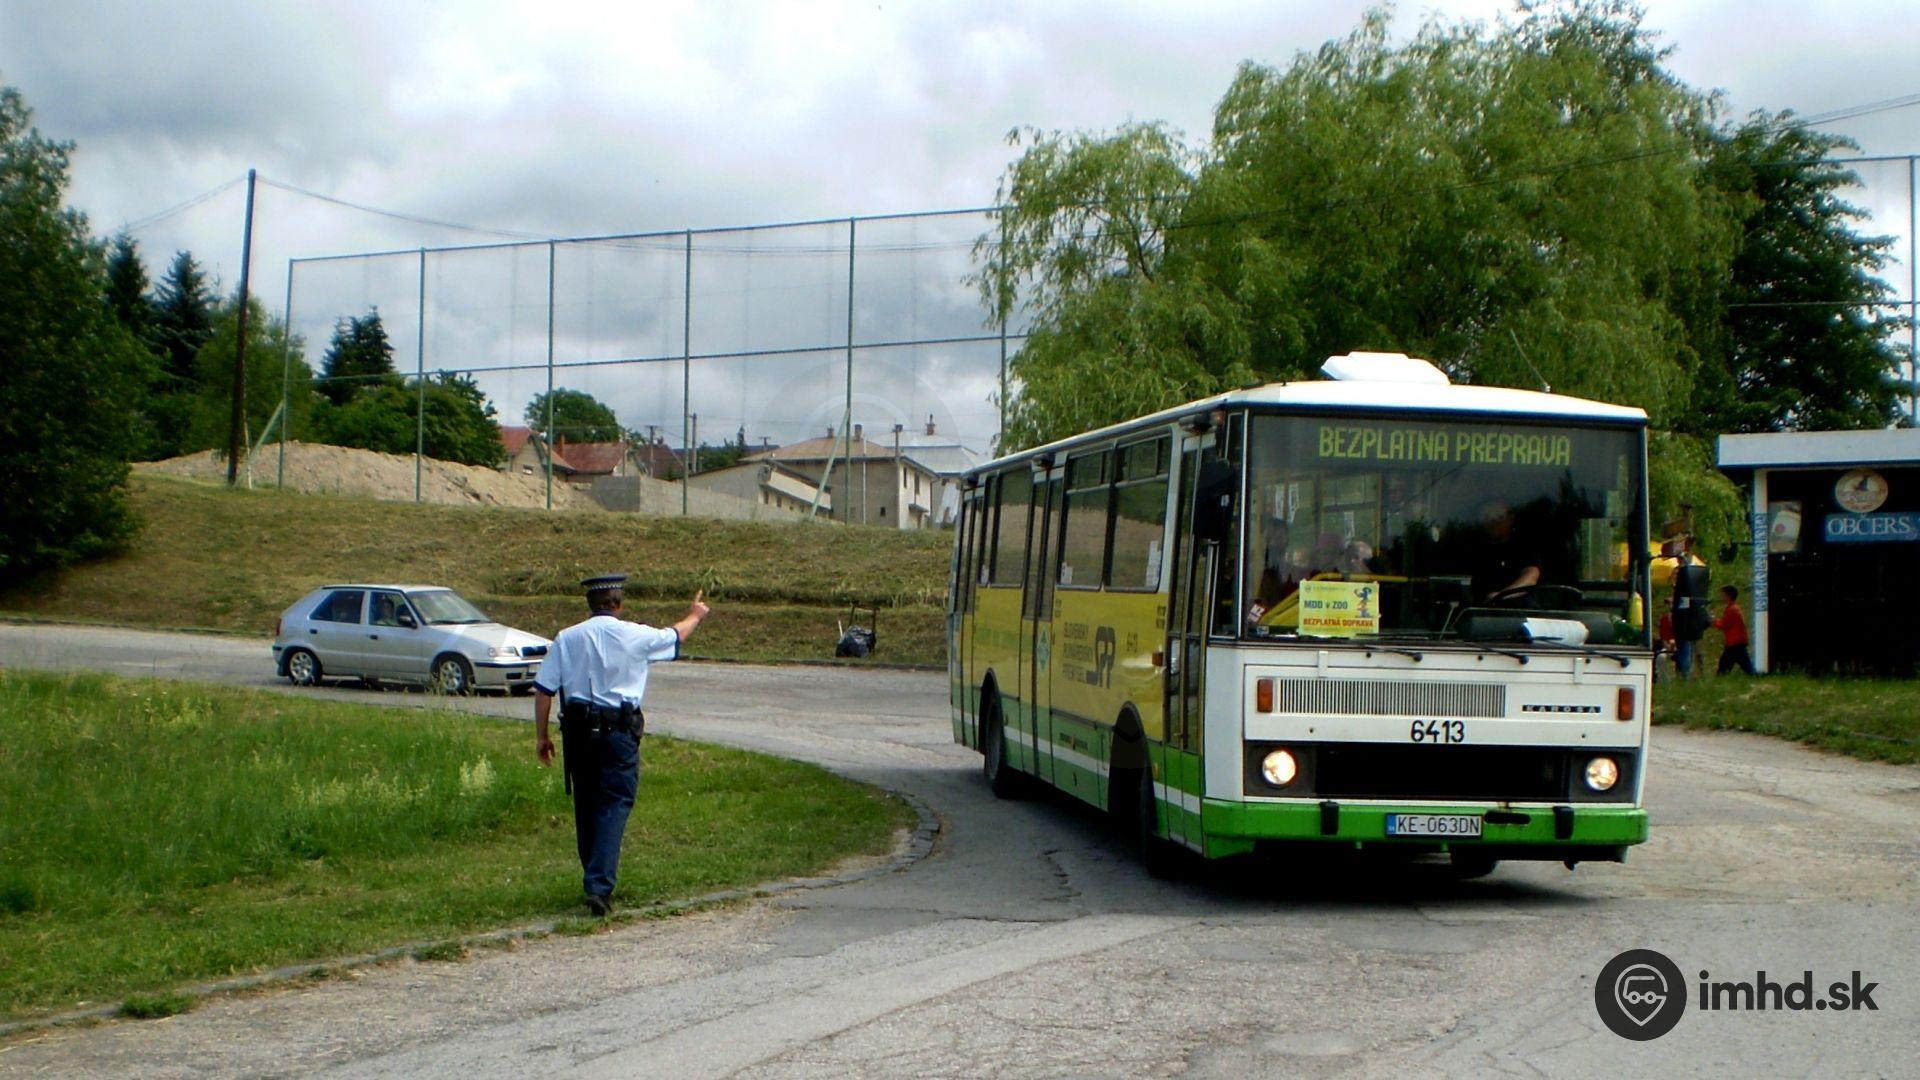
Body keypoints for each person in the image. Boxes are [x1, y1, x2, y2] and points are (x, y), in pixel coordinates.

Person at [533, 575, 710, 916]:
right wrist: (696, 614)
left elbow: (544, 691)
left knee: (586, 804)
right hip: (619, 731)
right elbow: (676, 636)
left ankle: (593, 875)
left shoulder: (567, 638)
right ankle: (598, 886)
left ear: (591, 604)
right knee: (614, 803)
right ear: (619, 604)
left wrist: (542, 737)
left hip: (578, 731)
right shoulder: (635, 634)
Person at [1470, 501, 1541, 601]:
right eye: (1488, 517)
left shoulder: (1523, 548)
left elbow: (1530, 577)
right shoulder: (1474, 550)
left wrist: (1501, 596)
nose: (1493, 522)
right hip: (1474, 613)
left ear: (1511, 519)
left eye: (1499, 517)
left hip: (1516, 613)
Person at [1667, 538, 1709, 680]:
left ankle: (1684, 674)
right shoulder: (1696, 579)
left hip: (1685, 623)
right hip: (1694, 621)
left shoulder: (1686, 580)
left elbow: (1683, 605)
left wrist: (1676, 607)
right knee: (1693, 648)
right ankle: (1695, 673)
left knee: (1686, 649)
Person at [1713, 584, 1756, 675]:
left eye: (1723, 595)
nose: (1721, 597)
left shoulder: (1732, 610)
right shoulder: (1734, 608)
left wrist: (1712, 621)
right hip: (1738, 641)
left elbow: (1724, 624)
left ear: (1728, 596)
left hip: (1734, 643)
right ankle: (1755, 676)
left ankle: (1721, 678)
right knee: (1745, 664)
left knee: (1724, 665)